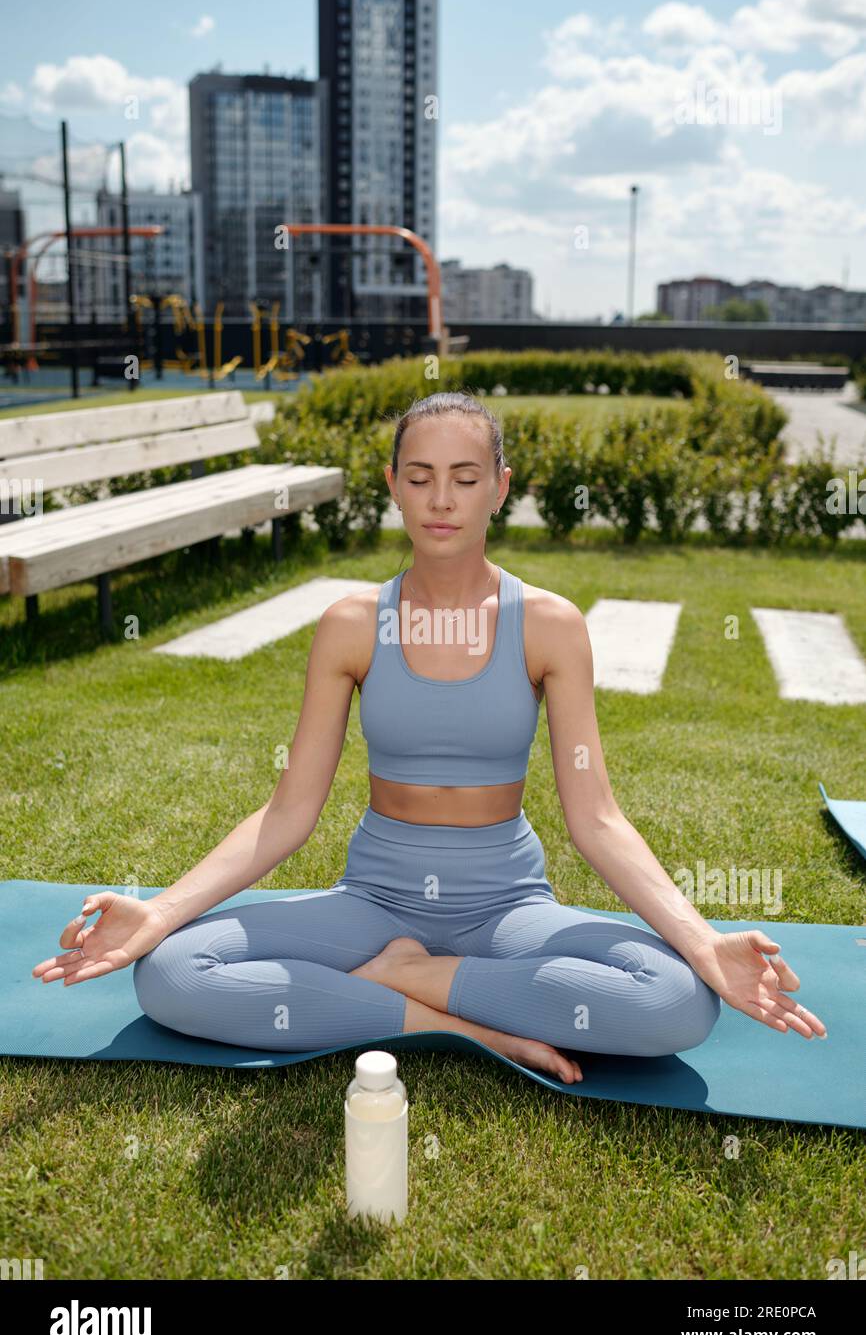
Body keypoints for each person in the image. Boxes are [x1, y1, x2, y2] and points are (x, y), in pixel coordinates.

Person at [32, 391, 827, 1083]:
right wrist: (159, 914)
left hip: (507, 906)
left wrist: (704, 941)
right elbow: (288, 812)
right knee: (169, 973)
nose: (440, 498)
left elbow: (597, 818)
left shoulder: (550, 626)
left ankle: (413, 979)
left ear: (500, 490)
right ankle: (453, 1023)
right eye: (419, 477)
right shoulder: (350, 626)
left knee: (680, 1001)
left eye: (465, 478)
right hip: (374, 899)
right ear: (393, 488)